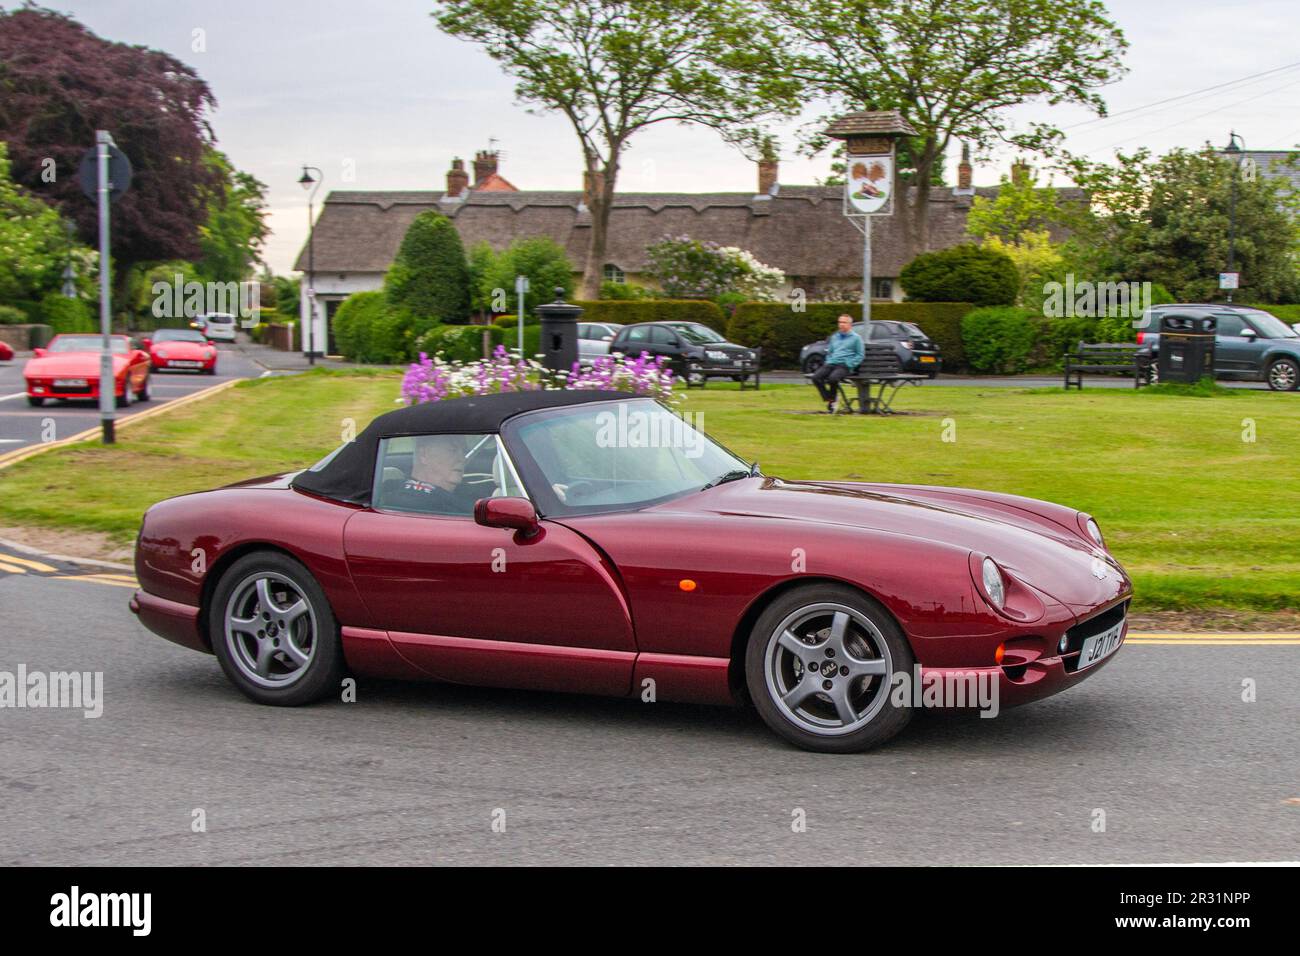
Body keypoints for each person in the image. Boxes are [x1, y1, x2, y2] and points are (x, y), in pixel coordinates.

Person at [384, 434, 475, 515]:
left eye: (464, 452)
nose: (462, 459)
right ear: (424, 454)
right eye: (452, 450)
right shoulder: (408, 503)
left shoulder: (466, 490)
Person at [811, 314, 864, 413]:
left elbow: (860, 355)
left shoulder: (856, 338)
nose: (841, 324)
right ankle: (831, 399)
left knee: (833, 378)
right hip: (831, 363)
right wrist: (828, 360)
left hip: (844, 365)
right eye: (840, 322)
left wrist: (850, 364)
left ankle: (832, 401)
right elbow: (830, 352)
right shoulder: (835, 337)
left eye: (844, 322)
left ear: (850, 324)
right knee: (816, 378)